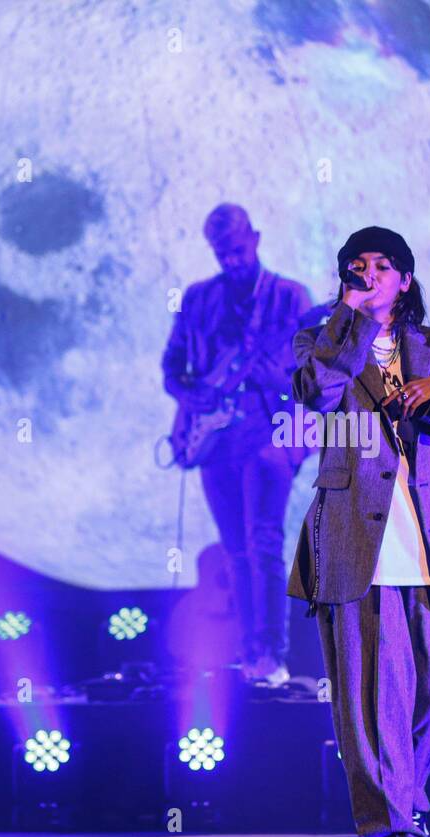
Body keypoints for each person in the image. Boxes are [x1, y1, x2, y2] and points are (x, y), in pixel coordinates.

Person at [287, 226, 430, 837]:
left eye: (383, 266)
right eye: (356, 266)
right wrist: (349, 319)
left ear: (406, 280)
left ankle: (401, 800)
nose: (369, 273)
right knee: (371, 701)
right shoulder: (319, 342)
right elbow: (316, 394)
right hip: (358, 539)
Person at [162, 203, 313, 687]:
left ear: (257, 238)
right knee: (235, 551)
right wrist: (194, 395)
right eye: (222, 253)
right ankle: (249, 656)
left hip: (269, 434)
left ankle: (270, 654)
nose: (232, 260)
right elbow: (172, 367)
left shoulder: (290, 299)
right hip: (215, 442)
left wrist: (274, 375)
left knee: (264, 541)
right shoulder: (198, 299)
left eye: (238, 249)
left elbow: (314, 377)